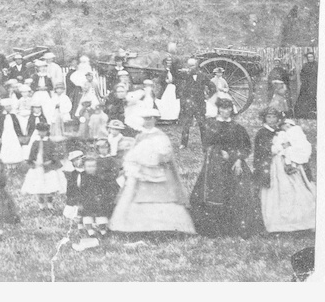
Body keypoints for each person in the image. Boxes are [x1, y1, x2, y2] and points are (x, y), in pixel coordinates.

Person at [109, 107, 195, 234]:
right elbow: (132, 153)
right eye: (145, 119)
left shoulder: (160, 136)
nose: (147, 121)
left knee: (162, 197)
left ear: (155, 120)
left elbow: (165, 154)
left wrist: (153, 159)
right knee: (134, 195)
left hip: (157, 173)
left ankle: (166, 226)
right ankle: (136, 226)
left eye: (150, 119)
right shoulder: (140, 136)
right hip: (140, 174)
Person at [190, 98, 261, 238]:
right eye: (222, 108)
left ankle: (236, 228)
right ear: (219, 109)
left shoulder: (238, 128)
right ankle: (215, 229)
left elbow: (246, 147)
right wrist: (218, 151)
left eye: (228, 108)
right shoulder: (211, 125)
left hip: (235, 164)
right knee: (214, 194)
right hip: (216, 165)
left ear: (231, 110)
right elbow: (206, 145)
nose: (225, 111)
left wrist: (238, 159)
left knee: (240, 193)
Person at [261, 116, 316, 232]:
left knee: (296, 191)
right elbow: (268, 150)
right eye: (285, 126)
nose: (286, 128)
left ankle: (300, 222)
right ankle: (279, 224)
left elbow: (301, 146)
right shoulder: (269, 134)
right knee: (279, 192)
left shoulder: (292, 134)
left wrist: (289, 149)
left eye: (289, 126)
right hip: (276, 165)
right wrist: (282, 146)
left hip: (289, 163)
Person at [74, 155, 120, 250]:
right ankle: (90, 232)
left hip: (99, 201)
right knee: (87, 216)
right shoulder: (82, 177)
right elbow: (78, 190)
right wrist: (79, 202)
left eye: (93, 166)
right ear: (84, 167)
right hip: (87, 201)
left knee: (101, 215)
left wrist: (106, 197)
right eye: (88, 166)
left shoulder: (100, 177)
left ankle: (103, 232)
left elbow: (107, 188)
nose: (91, 168)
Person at [21, 121, 64, 212]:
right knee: (39, 186)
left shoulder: (50, 143)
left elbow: (54, 155)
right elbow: (31, 155)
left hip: (48, 166)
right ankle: (41, 206)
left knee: (50, 185)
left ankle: (50, 205)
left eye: (44, 131)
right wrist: (34, 162)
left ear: (47, 131)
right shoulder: (35, 143)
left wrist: (50, 162)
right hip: (37, 166)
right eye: (40, 131)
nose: (42, 133)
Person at [292, 52, 317, 119]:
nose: (310, 58)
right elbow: (302, 74)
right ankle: (302, 115)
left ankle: (312, 114)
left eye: (311, 57)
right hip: (306, 85)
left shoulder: (317, 65)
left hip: (314, 85)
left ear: (314, 57)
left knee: (312, 99)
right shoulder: (305, 65)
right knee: (303, 99)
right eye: (309, 57)